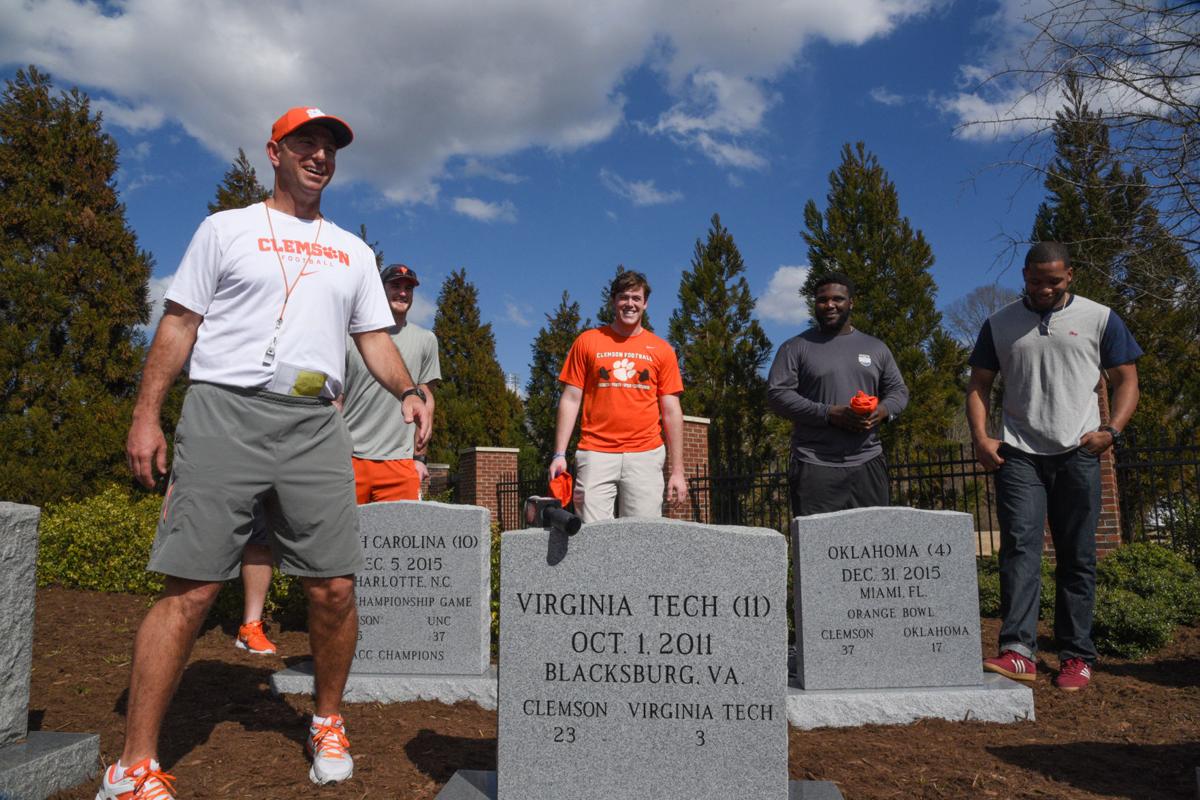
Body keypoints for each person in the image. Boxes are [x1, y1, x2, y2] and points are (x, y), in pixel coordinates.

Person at [100, 106, 430, 799]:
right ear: (273, 153)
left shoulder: (352, 252)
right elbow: (180, 322)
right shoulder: (227, 229)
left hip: (314, 422)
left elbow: (375, 339)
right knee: (190, 589)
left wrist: (408, 389)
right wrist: (147, 413)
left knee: (334, 587)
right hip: (225, 411)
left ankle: (328, 721)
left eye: (330, 147)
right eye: (306, 144)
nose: (320, 156)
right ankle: (132, 766)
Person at [967, 242, 1141, 692]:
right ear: (1024, 275)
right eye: (1035, 280)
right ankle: (1018, 651)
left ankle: (1076, 655)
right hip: (1019, 453)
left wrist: (1112, 430)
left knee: (1077, 554)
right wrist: (982, 438)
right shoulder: (999, 323)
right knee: (1021, 549)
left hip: (1078, 452)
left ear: (1071, 276)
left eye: (1054, 281)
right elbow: (979, 386)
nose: (1044, 288)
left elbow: (1127, 380)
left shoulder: (1100, 317)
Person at [548, 270, 688, 522]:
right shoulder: (588, 342)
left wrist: (677, 470)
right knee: (592, 535)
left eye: (636, 298)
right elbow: (570, 399)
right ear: (613, 301)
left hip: (645, 454)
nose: (630, 304)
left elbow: (671, 411)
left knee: (642, 537)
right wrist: (559, 454)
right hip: (595, 452)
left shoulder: (662, 350)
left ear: (645, 303)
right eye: (624, 297)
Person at [766, 272, 908, 517]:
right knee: (817, 550)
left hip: (868, 459)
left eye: (838, 299)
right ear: (815, 304)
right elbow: (778, 394)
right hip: (815, 463)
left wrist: (882, 412)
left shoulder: (875, 347)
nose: (830, 304)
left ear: (851, 302)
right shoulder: (795, 347)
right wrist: (829, 413)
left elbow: (899, 391)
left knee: (875, 544)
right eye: (822, 299)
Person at [342, 263, 441, 502]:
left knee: (402, 539)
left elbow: (426, 402)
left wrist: (419, 459)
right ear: (381, 289)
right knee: (342, 537)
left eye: (408, 288)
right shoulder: (350, 336)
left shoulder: (426, 340)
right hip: (350, 458)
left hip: (401, 461)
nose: (403, 293)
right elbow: (337, 397)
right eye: (395, 285)